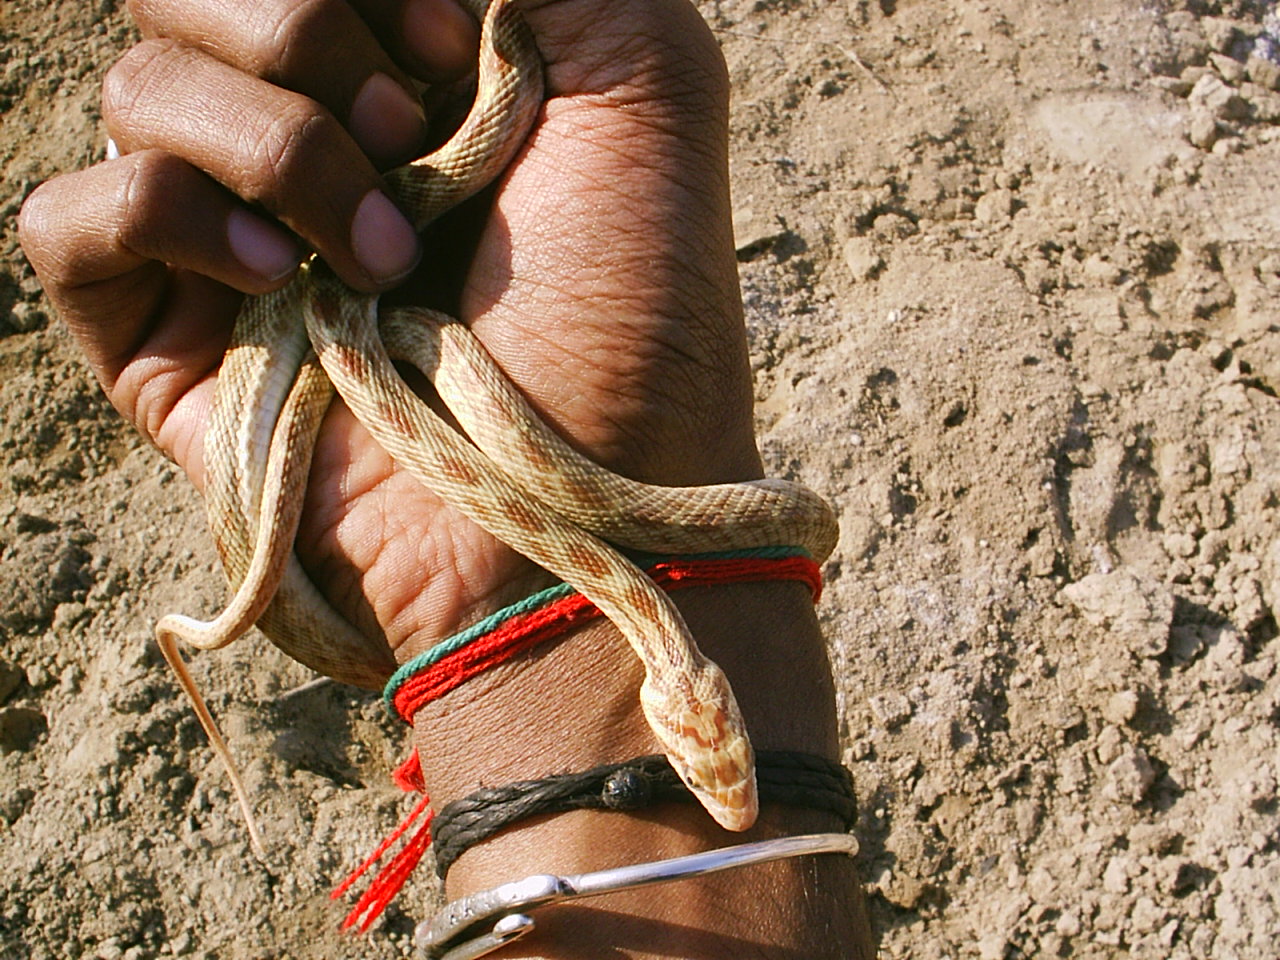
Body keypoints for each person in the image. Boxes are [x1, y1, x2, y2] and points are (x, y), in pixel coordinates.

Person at [19, 0, 874, 955]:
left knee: (351, 284)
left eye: (700, 768)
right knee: (355, 289)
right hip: (385, 333)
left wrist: (474, 605)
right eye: (717, 759)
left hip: (393, 363)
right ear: (704, 703)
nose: (726, 793)